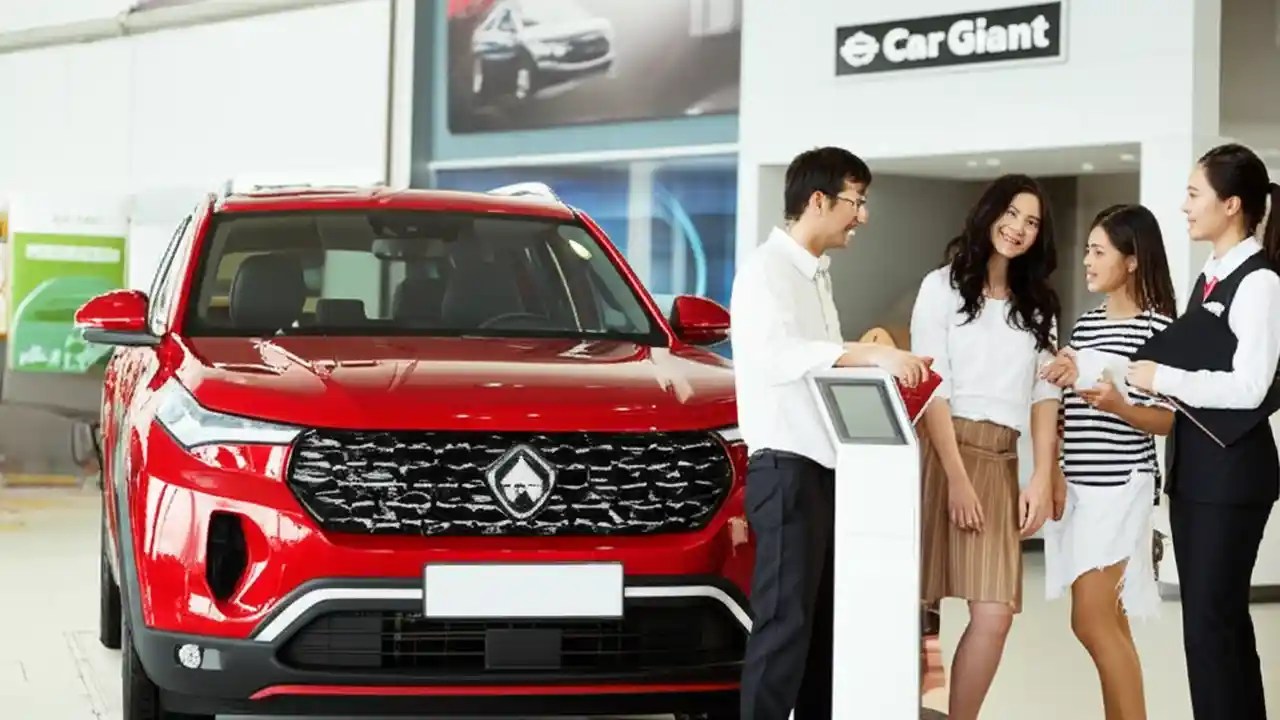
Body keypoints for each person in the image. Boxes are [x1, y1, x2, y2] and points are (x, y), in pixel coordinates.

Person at [730, 146, 932, 720]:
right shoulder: (766, 271)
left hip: (824, 470)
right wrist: (869, 354)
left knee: (822, 632)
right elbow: (779, 355)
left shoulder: (818, 277)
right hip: (785, 470)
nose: (862, 216)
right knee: (783, 626)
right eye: (855, 201)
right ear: (818, 200)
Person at [1126, 142, 1280, 720]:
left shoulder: (1260, 283)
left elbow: (1250, 387)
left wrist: (1163, 375)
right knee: (1215, 625)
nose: (1185, 206)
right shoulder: (1211, 277)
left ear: (1232, 204)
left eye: (1194, 194)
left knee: (1212, 627)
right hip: (1196, 472)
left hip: (1231, 478)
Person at [908, 173, 1062, 720]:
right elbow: (934, 388)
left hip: (1000, 461)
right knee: (915, 607)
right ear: (990, 212)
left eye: (1032, 222)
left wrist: (1041, 475)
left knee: (995, 614)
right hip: (940, 455)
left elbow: (1045, 394)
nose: (1019, 228)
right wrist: (955, 478)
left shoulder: (1038, 305)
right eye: (1012, 213)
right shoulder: (941, 287)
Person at [1040, 203, 1178, 720]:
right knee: (1108, 623)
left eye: (1099, 252)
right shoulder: (1087, 324)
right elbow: (1067, 406)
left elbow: (1169, 421)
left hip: (1120, 486)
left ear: (1132, 259)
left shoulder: (1159, 329)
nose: (1088, 261)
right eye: (1088, 251)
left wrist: (1119, 405)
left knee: (1091, 621)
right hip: (1079, 487)